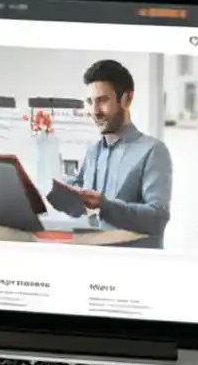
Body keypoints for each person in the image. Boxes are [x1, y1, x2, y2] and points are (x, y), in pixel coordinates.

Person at [60, 59, 172, 249]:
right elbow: (79, 206)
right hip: (92, 258)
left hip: (131, 267)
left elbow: (157, 219)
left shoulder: (153, 151)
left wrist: (105, 205)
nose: (95, 111)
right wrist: (60, 194)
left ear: (127, 99)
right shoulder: (93, 152)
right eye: (90, 102)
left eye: (102, 101)